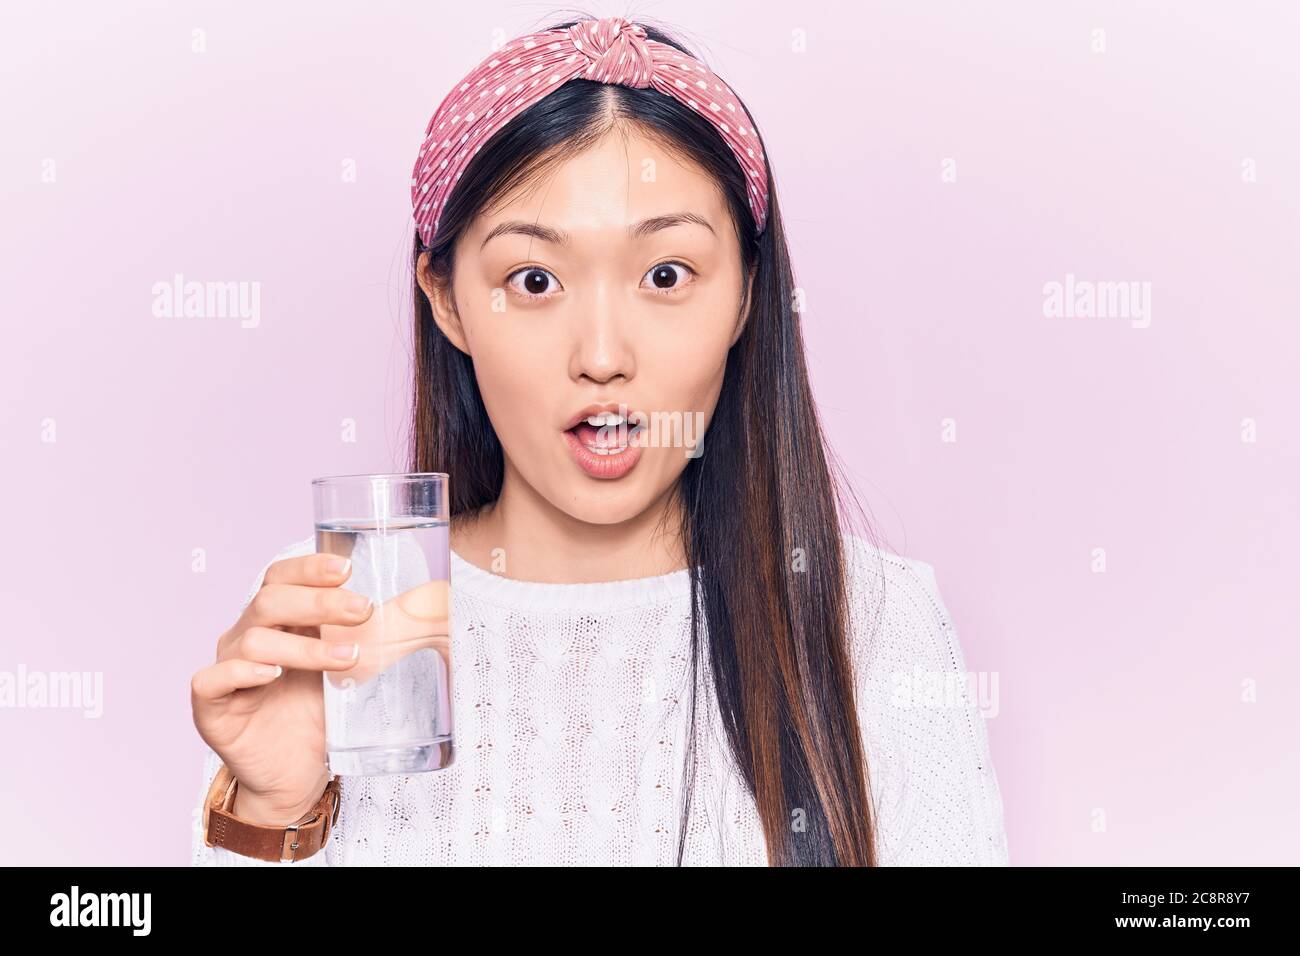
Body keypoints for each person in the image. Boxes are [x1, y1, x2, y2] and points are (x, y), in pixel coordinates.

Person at [190, 14, 1009, 866]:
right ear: (447, 300)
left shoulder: (872, 624)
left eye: (666, 275)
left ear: (745, 293)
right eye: (534, 280)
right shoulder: (337, 616)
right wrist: (270, 813)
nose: (604, 356)